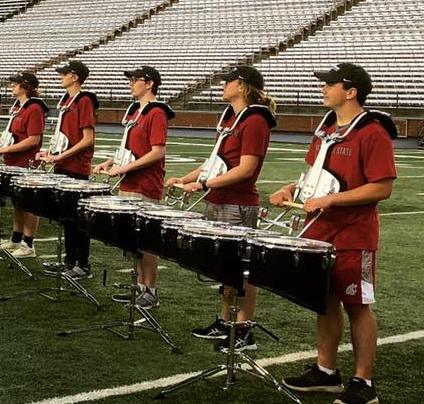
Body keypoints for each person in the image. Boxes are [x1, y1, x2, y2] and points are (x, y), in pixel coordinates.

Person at [274, 63, 396, 404]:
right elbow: (316, 178)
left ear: (351, 91)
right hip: (319, 232)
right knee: (324, 300)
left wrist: (331, 200)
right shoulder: (326, 128)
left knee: (358, 306)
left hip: (354, 235)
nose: (323, 88)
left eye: (330, 84)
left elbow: (382, 187)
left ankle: (364, 382)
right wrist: (290, 189)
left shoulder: (372, 132)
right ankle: (327, 371)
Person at [170, 65, 277, 351]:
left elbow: (246, 169)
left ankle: (244, 328)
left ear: (241, 86)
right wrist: (188, 178)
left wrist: (206, 185)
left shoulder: (254, 120)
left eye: (227, 81)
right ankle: (225, 320)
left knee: (241, 270)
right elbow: (214, 161)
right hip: (219, 200)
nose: (222, 85)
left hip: (238, 203)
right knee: (224, 268)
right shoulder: (232, 118)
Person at [96, 66, 172, 310]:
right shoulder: (136, 112)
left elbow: (157, 151)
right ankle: (139, 287)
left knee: (147, 241)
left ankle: (150, 289)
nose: (130, 83)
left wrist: (124, 168)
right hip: (130, 182)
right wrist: (112, 162)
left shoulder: (156, 112)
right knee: (135, 240)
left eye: (135, 80)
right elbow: (131, 148)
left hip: (145, 184)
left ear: (149, 84)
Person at [39, 59, 97, 280]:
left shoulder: (84, 101)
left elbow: (87, 139)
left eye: (65, 74)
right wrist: (50, 153)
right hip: (64, 164)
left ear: (75, 77)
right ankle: (69, 260)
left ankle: (82, 264)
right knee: (67, 218)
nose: (61, 77)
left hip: (76, 168)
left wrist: (60, 156)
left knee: (77, 220)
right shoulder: (67, 101)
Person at [0, 72, 47, 258]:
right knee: (18, 203)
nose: (12, 85)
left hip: (26, 164)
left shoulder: (34, 108)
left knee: (29, 205)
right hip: (14, 162)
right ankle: (16, 239)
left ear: (25, 86)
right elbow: (11, 136)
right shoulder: (19, 108)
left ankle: (28, 244)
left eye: (16, 83)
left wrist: (5, 150)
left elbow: (33, 140)